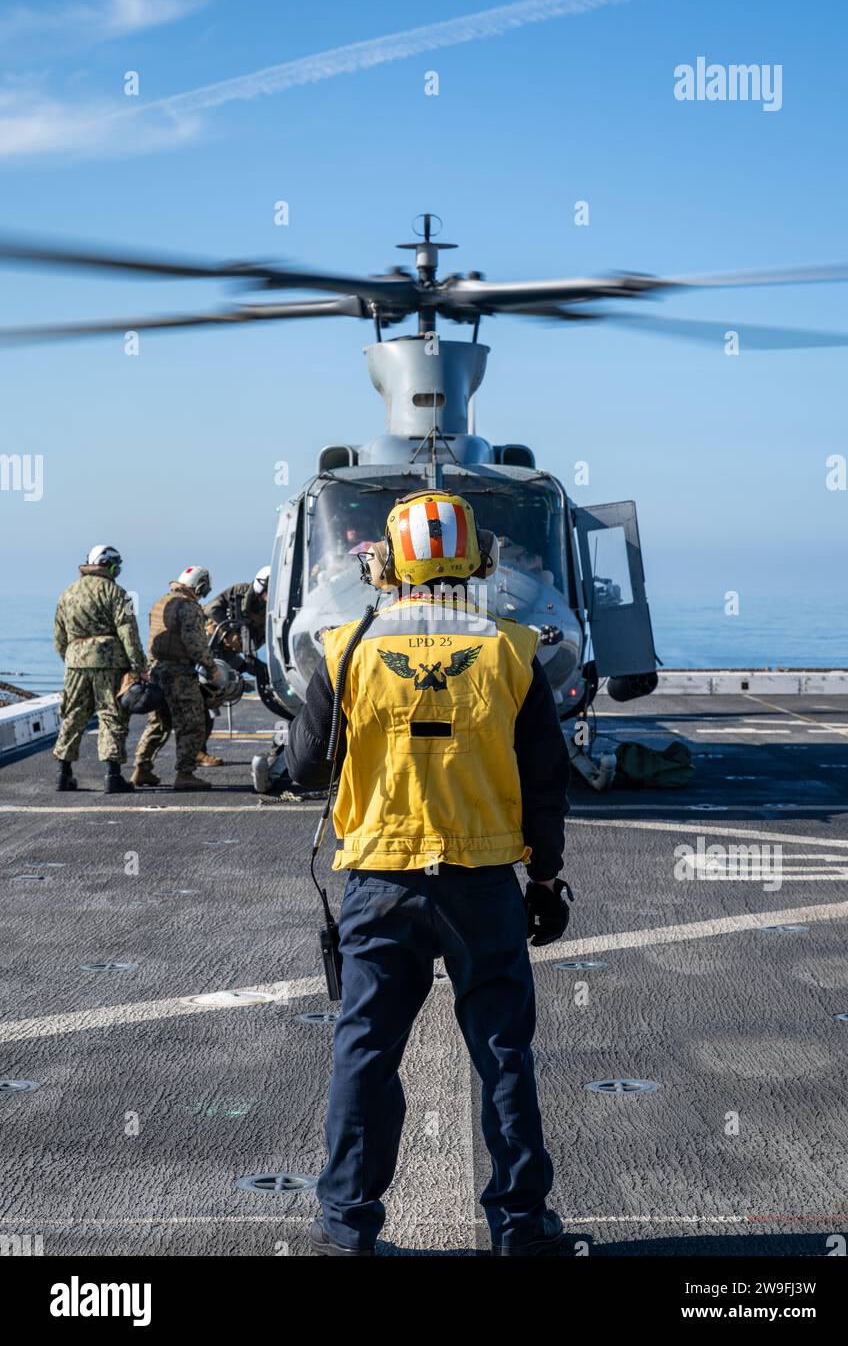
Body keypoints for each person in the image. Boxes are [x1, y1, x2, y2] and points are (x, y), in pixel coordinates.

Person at [284, 489, 572, 1257]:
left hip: (380, 882)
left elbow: (306, 765)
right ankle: (519, 1227)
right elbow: (546, 781)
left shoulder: (347, 647)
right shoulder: (513, 650)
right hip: (482, 883)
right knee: (503, 1054)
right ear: (479, 560)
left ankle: (347, 1229)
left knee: (365, 1052)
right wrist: (544, 879)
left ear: (389, 560)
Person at [52, 544, 146, 794]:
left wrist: (71, 658)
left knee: (73, 714)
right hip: (108, 663)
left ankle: (63, 774)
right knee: (110, 714)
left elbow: (59, 635)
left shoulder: (68, 592)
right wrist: (138, 665)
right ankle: (113, 776)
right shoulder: (118, 593)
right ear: (110, 565)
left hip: (75, 662)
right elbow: (129, 631)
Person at [131, 566, 218, 792]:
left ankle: (141, 768)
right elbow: (196, 643)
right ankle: (185, 773)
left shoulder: (161, 602)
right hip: (179, 674)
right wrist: (211, 666)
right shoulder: (189, 607)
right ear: (199, 586)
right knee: (191, 723)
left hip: (157, 669)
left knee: (159, 722)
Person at [197, 567, 270, 767]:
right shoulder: (238, 592)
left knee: (259, 671)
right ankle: (198, 751)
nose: (268, 596)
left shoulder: (270, 606)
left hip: (228, 655)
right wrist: (229, 629)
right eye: (266, 591)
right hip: (208, 647)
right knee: (206, 700)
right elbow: (211, 609)